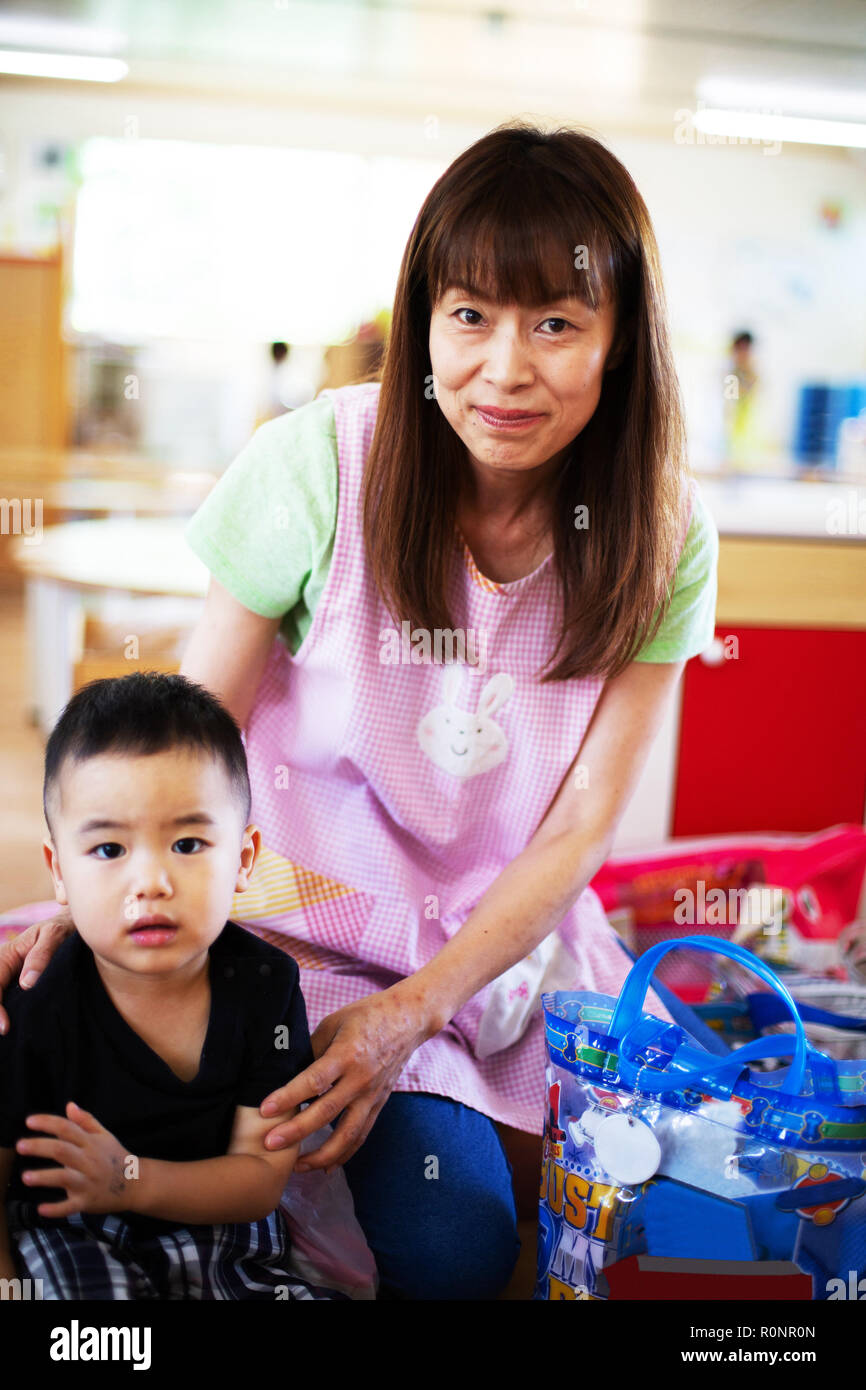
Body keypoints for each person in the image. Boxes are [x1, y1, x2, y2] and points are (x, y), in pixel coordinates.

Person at [0, 122, 720, 1300]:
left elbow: (581, 827)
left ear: (620, 340)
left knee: (541, 1228)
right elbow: (190, 731)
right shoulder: (321, 460)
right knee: (439, 1238)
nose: (502, 369)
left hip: (488, 951)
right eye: (469, 316)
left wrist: (410, 1016)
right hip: (294, 913)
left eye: (555, 323)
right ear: (424, 319)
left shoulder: (661, 527)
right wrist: (112, 880)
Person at [0, 671, 346, 1300]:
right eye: (108, 850)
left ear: (242, 860)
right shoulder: (39, 996)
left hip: (218, 1221)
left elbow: (260, 1180)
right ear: (58, 872)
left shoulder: (265, 987)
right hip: (73, 1226)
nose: (152, 881)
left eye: (188, 843)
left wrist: (132, 1180)